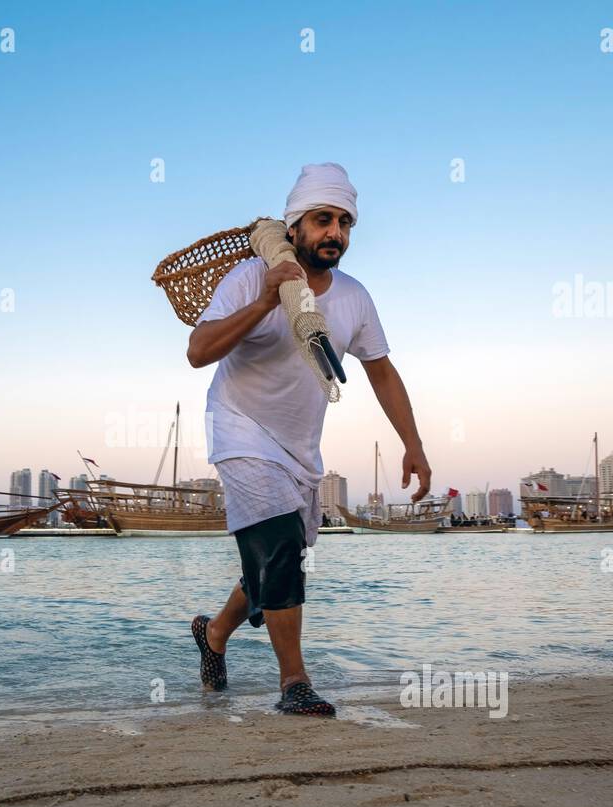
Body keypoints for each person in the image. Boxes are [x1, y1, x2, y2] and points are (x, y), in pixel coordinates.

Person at [185, 163, 431, 717]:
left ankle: (216, 632)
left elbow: (382, 372)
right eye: (323, 219)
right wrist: (265, 302)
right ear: (293, 226)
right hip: (240, 427)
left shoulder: (354, 298)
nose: (335, 234)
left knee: (279, 556)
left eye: (345, 223)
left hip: (300, 450)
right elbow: (198, 351)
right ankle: (294, 683)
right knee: (276, 547)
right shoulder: (251, 278)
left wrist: (413, 445)